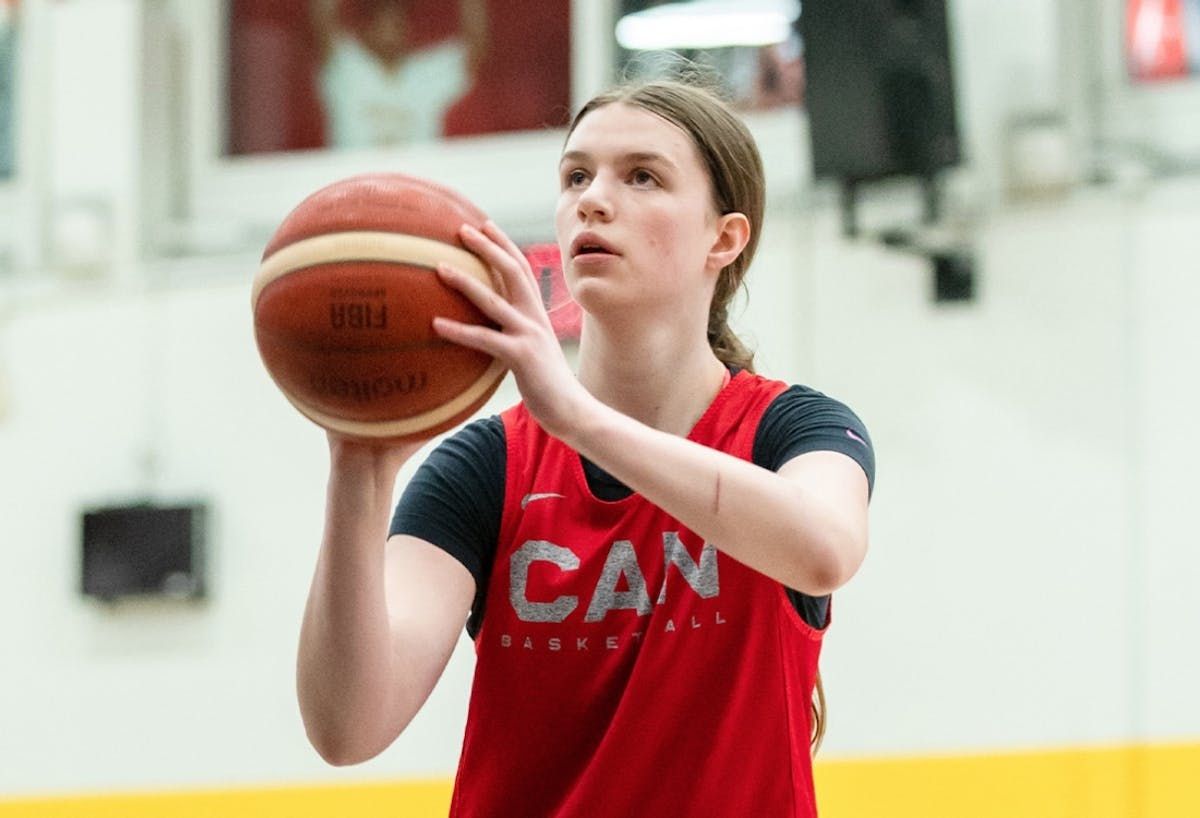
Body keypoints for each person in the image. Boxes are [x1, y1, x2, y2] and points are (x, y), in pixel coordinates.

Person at [297, 74, 875, 817]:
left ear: (724, 238)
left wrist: (575, 416)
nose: (593, 199)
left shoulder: (793, 430)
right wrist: (356, 469)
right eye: (576, 175)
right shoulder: (486, 468)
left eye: (642, 176)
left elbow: (824, 548)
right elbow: (348, 728)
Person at [309, 0, 487, 148]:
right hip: (353, 182)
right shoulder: (347, 67)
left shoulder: (426, 74)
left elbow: (475, 49)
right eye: (381, 24)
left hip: (413, 180)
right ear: (366, 28)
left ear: (407, 28)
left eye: (396, 24)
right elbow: (320, 22)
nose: (388, 33)